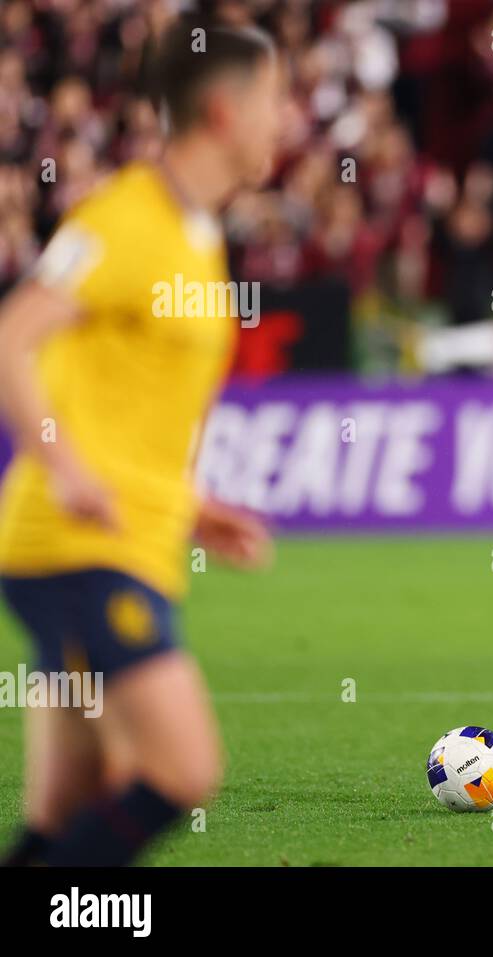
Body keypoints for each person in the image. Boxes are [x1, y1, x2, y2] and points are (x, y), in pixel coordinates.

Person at [0, 16, 280, 866]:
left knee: (62, 813)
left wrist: (191, 506)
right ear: (225, 113)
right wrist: (69, 471)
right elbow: (11, 336)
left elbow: (125, 399)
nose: (288, 122)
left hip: (131, 537)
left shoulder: (199, 237)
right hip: (80, 546)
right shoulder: (128, 218)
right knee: (183, 768)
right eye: (276, 100)